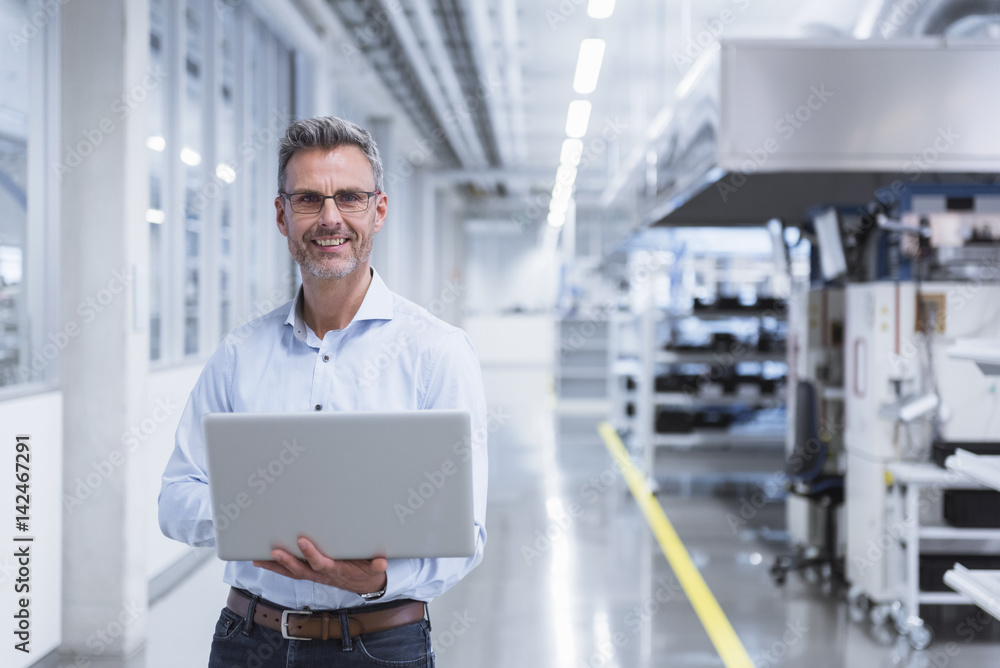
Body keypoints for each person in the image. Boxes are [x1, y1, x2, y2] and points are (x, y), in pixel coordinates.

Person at [158, 116, 488, 667]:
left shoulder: (438, 353)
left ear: (377, 211)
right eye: (309, 199)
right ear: (282, 215)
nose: (330, 218)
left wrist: (379, 577)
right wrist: (262, 519)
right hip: (247, 642)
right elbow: (174, 499)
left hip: (379, 645)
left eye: (350, 198)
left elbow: (467, 535)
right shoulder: (239, 355)